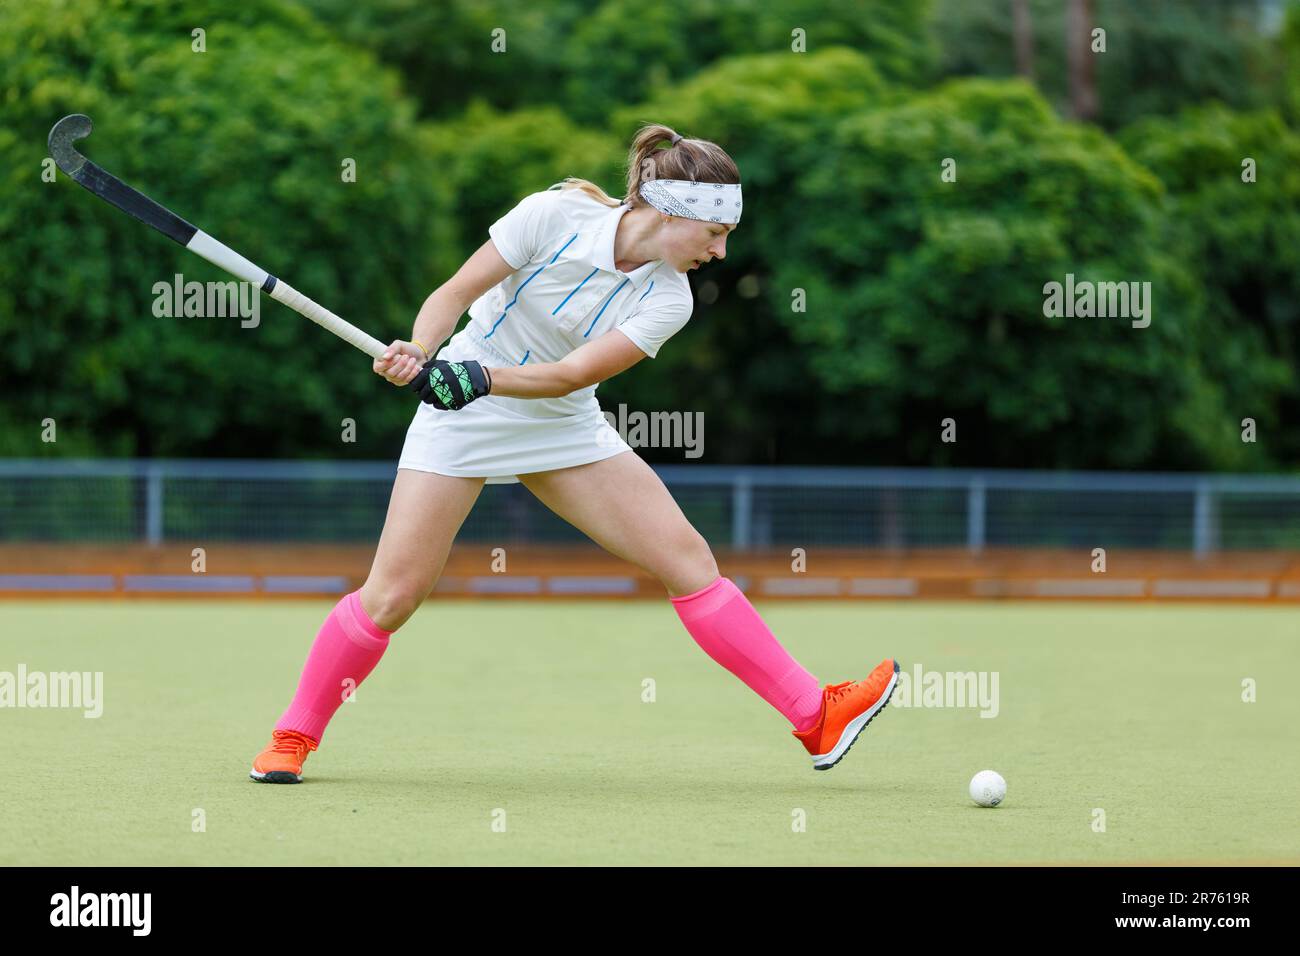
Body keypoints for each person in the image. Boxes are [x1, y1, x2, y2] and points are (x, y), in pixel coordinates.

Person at [249, 124, 897, 783]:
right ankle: (292, 737)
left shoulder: (668, 297)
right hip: (464, 416)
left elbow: (568, 376)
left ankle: (817, 715)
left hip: (560, 421)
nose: (722, 252)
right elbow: (451, 296)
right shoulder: (551, 214)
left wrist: (477, 377)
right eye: (714, 234)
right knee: (393, 595)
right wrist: (422, 352)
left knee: (688, 561)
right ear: (672, 212)